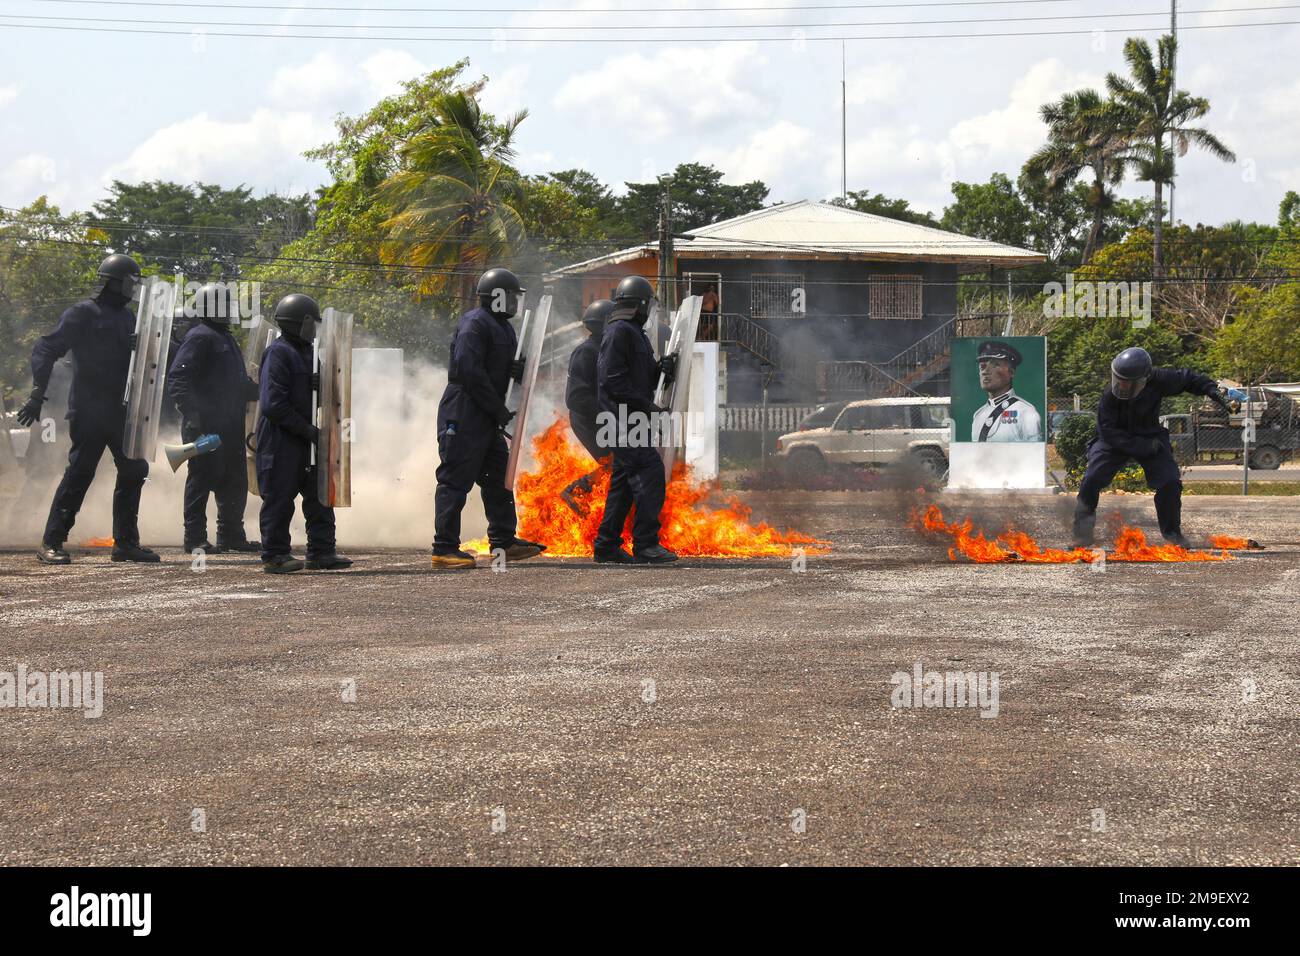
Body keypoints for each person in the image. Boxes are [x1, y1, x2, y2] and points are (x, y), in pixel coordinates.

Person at [17, 253, 159, 564]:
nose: (134, 289)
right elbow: (46, 348)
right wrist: (38, 393)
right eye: (131, 282)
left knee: (135, 469)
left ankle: (125, 543)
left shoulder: (127, 318)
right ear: (116, 282)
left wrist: (139, 347)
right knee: (81, 472)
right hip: (89, 409)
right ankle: (51, 541)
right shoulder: (82, 313)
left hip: (119, 410)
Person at [431, 267, 546, 570]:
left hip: (486, 414)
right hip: (465, 411)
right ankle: (444, 548)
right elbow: (470, 372)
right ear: (496, 296)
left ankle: (503, 541)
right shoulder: (475, 324)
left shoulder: (503, 327)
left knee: (498, 478)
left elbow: (494, 368)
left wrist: (514, 371)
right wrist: (497, 408)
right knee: (455, 480)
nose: (514, 303)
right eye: (511, 297)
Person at [1071, 347, 1233, 549]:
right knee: (1091, 479)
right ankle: (1082, 536)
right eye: (1118, 378)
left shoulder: (1159, 379)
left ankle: (1173, 534)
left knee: (1170, 482)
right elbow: (1107, 432)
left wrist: (1213, 390)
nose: (1121, 384)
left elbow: (1189, 379)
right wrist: (1141, 446)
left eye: (1127, 381)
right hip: (1114, 439)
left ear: (1143, 379)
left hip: (1150, 435)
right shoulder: (1108, 398)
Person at [255, 293, 352, 573]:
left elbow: (321, 397)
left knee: (319, 497)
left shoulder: (308, 353)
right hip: (281, 439)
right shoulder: (278, 352)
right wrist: (308, 431)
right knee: (279, 499)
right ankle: (274, 555)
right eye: (313, 322)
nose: (316, 329)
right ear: (301, 322)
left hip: (307, 439)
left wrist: (322, 387)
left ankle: (321, 552)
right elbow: (273, 405)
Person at [167, 282, 261, 553]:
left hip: (230, 426)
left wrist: (259, 389)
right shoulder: (200, 336)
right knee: (202, 479)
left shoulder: (225, 338)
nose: (229, 310)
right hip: (205, 424)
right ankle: (194, 538)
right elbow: (178, 378)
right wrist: (193, 415)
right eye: (224, 305)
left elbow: (235, 384)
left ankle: (231, 535)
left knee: (234, 480)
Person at [591, 275, 678, 564]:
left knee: (624, 483)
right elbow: (613, 381)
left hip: (630, 420)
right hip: (621, 421)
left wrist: (660, 370)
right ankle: (646, 544)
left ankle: (606, 545)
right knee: (650, 471)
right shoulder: (619, 332)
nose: (650, 312)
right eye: (649, 305)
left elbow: (638, 377)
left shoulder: (634, 332)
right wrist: (648, 408)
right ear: (639, 305)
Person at [560, 298, 616, 515]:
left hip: (601, 418)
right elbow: (576, 397)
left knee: (619, 463)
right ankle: (575, 492)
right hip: (587, 420)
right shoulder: (587, 351)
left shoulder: (604, 349)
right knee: (615, 463)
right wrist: (607, 414)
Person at [970, 340, 1042, 442]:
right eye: (982, 366)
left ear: (1011, 372)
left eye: (995, 365)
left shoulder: (1026, 412)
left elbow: (1034, 454)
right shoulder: (978, 415)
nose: (985, 371)